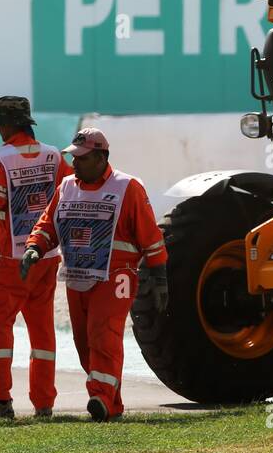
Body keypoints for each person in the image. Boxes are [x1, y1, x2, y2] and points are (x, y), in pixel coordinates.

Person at [22, 128, 168, 422]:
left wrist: (159, 278)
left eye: (82, 158)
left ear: (101, 157)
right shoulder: (66, 187)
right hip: (77, 274)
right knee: (84, 340)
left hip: (118, 276)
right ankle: (111, 403)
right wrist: (35, 247)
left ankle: (100, 394)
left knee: (104, 333)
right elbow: (48, 225)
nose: (74, 163)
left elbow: (151, 237)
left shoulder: (128, 187)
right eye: (73, 157)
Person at [0, 97, 71, 421]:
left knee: (0, 328)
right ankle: (44, 403)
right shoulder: (54, 155)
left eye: (0, 124)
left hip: (10, 256)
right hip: (46, 254)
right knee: (43, 331)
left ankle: (0, 400)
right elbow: (68, 192)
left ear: (8, 125)